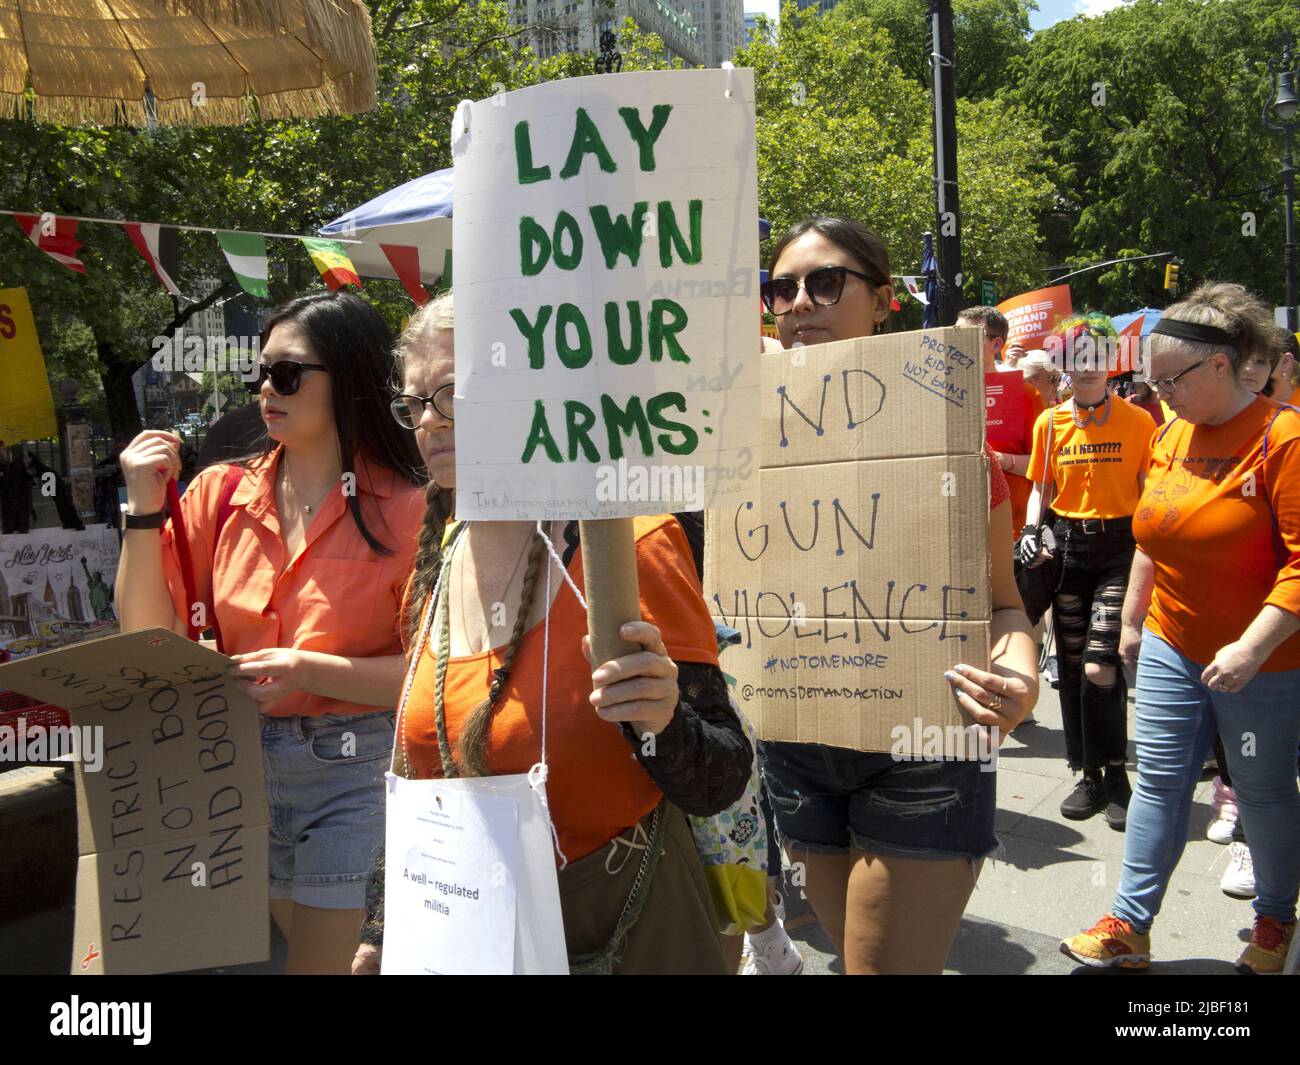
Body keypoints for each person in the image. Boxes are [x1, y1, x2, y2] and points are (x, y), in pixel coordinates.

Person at [377, 293, 752, 975]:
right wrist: (384, 924)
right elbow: (419, 769)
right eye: (415, 403)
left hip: (618, 928)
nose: (430, 421)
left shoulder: (629, 547)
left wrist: (663, 721)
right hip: (474, 931)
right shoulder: (440, 556)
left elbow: (722, 775)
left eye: (455, 393)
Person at [757, 217, 1039, 974]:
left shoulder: (949, 443)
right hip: (797, 742)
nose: (799, 303)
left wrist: (1019, 673)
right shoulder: (741, 432)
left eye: (825, 282)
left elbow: (1004, 603)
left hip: (922, 745)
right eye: (781, 288)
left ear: (884, 299)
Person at [114, 291, 427, 974]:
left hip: (355, 768)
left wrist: (309, 669)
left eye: (287, 374)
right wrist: (141, 509)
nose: (265, 389)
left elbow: (435, 672)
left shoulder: (410, 511)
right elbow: (146, 633)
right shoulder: (221, 494)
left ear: (347, 378)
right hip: (235, 768)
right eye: (260, 372)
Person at [1061, 282, 1300, 974]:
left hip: (1264, 662)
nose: (1158, 393)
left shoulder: (1282, 439)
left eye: (1170, 380)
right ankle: (1130, 923)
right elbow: (1152, 537)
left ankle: (1275, 918)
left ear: (1221, 366)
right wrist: (1132, 621)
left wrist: (1253, 645)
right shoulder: (1169, 434)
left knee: (1261, 790)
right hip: (1172, 640)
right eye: (1151, 380)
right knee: (1160, 780)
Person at [1022, 313, 1154, 828]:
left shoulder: (1140, 421)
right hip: (1068, 550)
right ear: (1064, 367)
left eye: (1099, 357)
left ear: (1112, 362)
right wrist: (1033, 532)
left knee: (1103, 664)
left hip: (1121, 549)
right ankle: (1089, 772)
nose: (1090, 368)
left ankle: (1118, 774)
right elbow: (1040, 488)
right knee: (1073, 667)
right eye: (1079, 359)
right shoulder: (1049, 423)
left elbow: (1149, 486)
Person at [957, 306, 1047, 538]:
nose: (959, 343)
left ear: (997, 345)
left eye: (970, 337)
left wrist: (1001, 461)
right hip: (960, 524)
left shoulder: (1026, 395)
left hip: (1010, 530)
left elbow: (1045, 467)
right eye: (955, 335)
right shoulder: (945, 394)